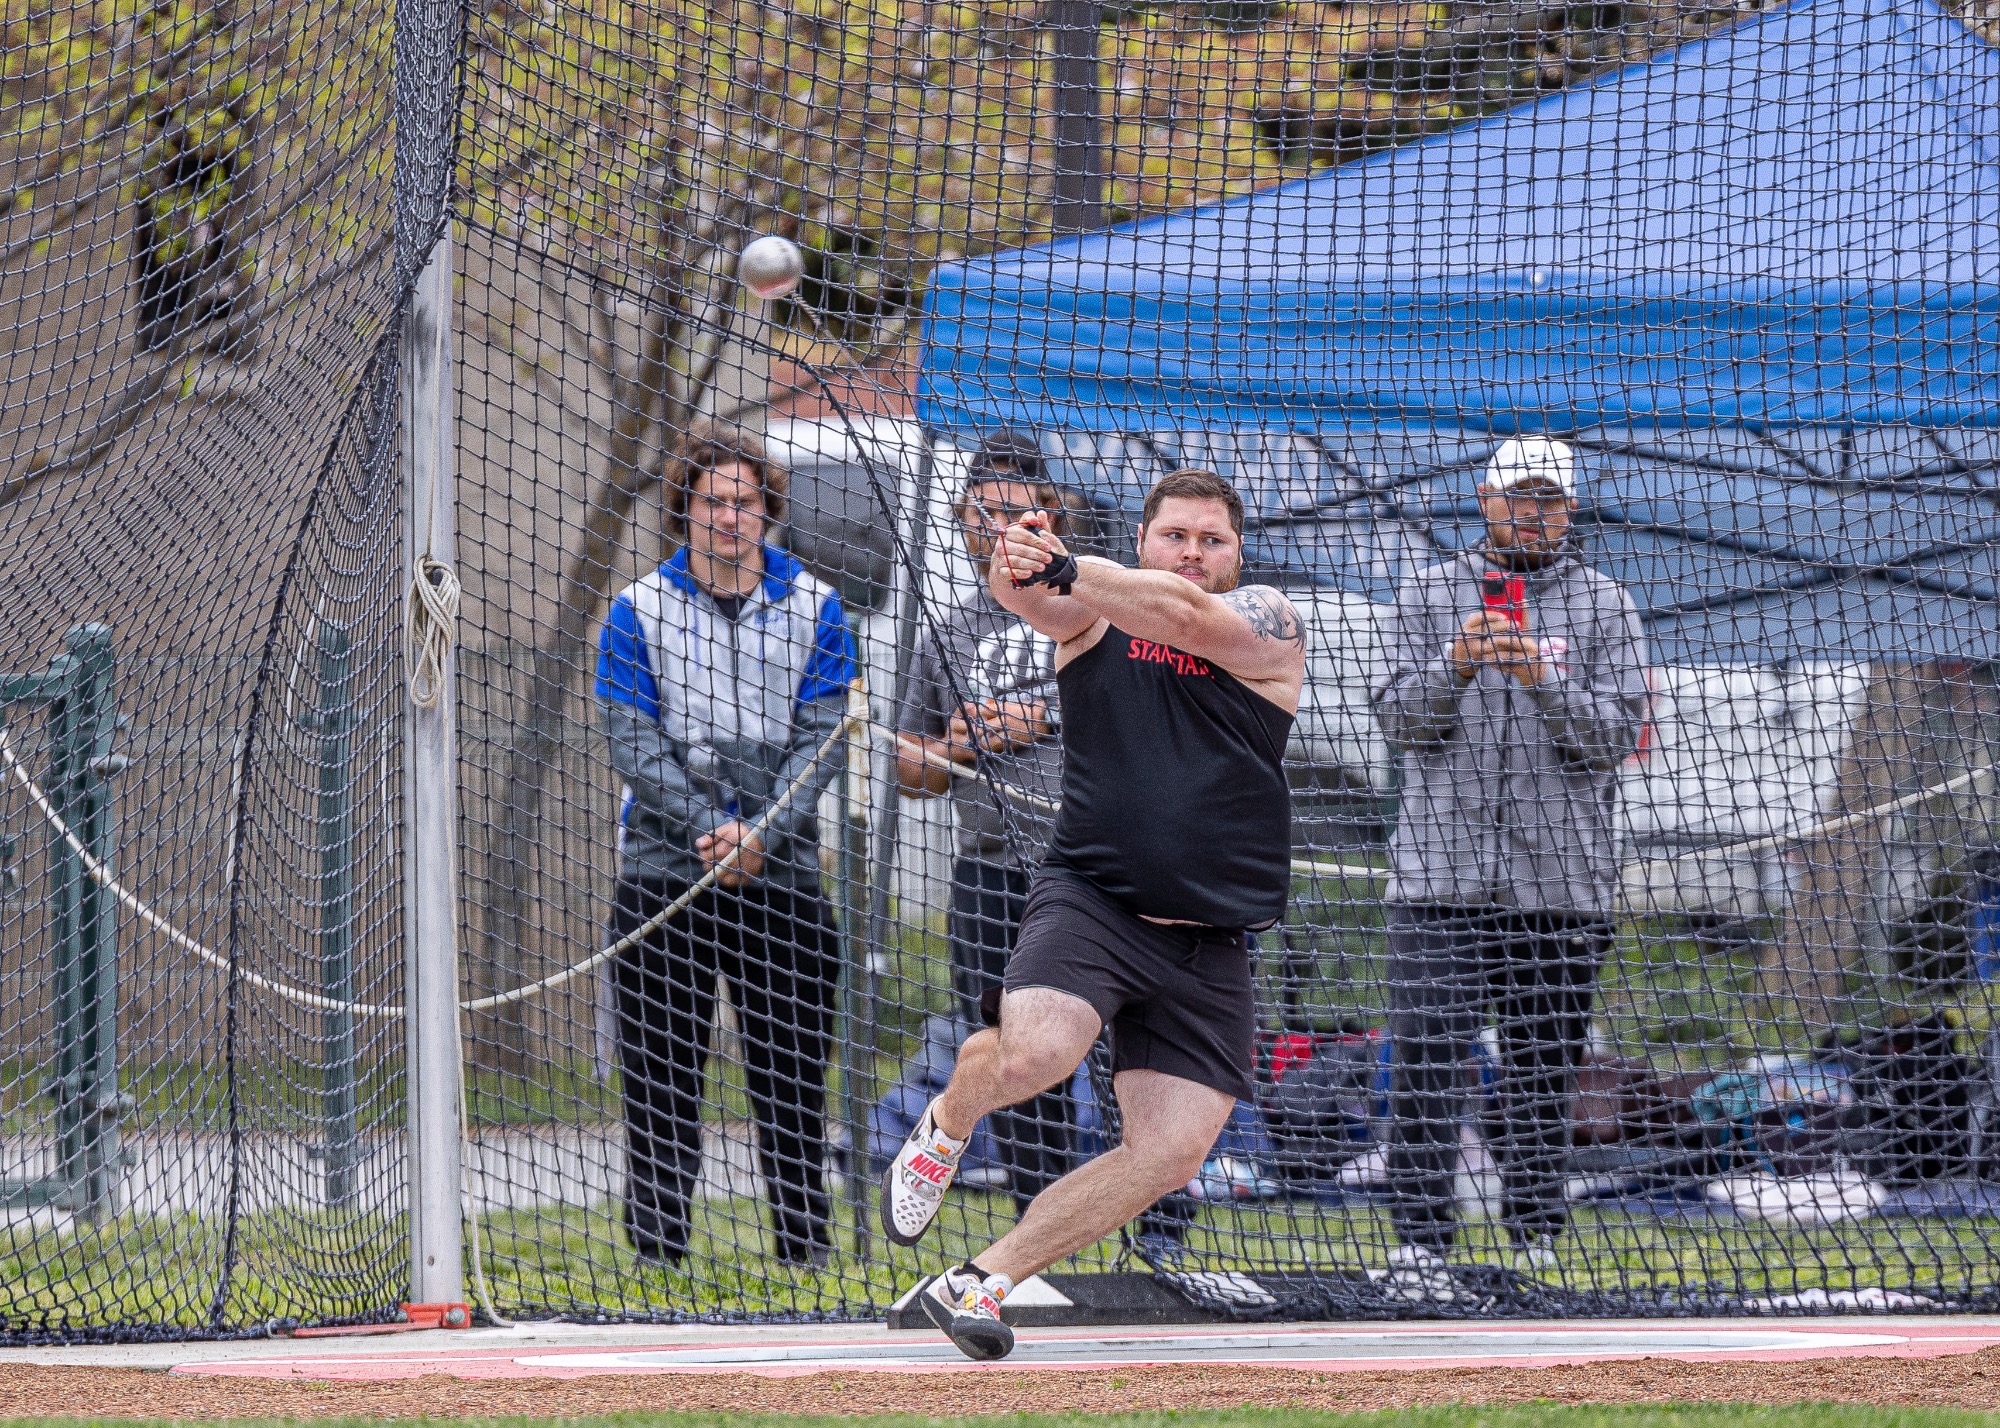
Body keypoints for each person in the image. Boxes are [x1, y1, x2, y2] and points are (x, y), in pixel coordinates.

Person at [879, 465, 1307, 1360]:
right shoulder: (1093, 614)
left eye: (1212, 539)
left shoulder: (1265, 621)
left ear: (1237, 553)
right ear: (1144, 539)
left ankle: (981, 1280)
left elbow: (1183, 617)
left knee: (1172, 1153)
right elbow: (1022, 590)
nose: (1193, 553)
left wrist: (1065, 559)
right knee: (1036, 1053)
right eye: (1175, 536)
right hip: (1096, 899)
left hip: (1211, 936)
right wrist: (1019, 550)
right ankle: (948, 1125)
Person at [1369, 435, 1648, 1296]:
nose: (1535, 512)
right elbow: (1398, 722)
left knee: (1542, 1069)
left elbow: (1616, 739)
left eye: (1552, 499)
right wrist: (1457, 664)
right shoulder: (1425, 593)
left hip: (1560, 890)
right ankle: (1420, 1241)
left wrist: (1539, 675)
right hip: (1439, 883)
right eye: (1520, 495)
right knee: (1423, 1060)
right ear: (1484, 497)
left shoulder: (1606, 605)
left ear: (1570, 510)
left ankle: (1534, 1234)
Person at [595, 422, 856, 1270]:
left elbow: (825, 738)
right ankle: (659, 1247)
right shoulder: (637, 608)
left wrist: (763, 834)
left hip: (781, 879)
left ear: (768, 510)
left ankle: (803, 1244)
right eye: (712, 502)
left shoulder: (818, 605)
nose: (729, 518)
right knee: (661, 1072)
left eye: (744, 502)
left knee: (791, 1074)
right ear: (684, 511)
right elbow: (632, 740)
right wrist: (708, 829)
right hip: (665, 876)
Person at [894, 431, 1074, 1218]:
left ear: (1051, 517)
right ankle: (1037, 1226)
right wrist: (954, 746)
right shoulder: (945, 629)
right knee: (1009, 1048)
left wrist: (1038, 716)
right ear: (964, 522)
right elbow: (909, 771)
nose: (999, 530)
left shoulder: (1094, 612)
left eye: (1018, 515)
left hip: (1091, 869)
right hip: (991, 871)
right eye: (985, 514)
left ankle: (1157, 1229)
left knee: (1120, 1047)